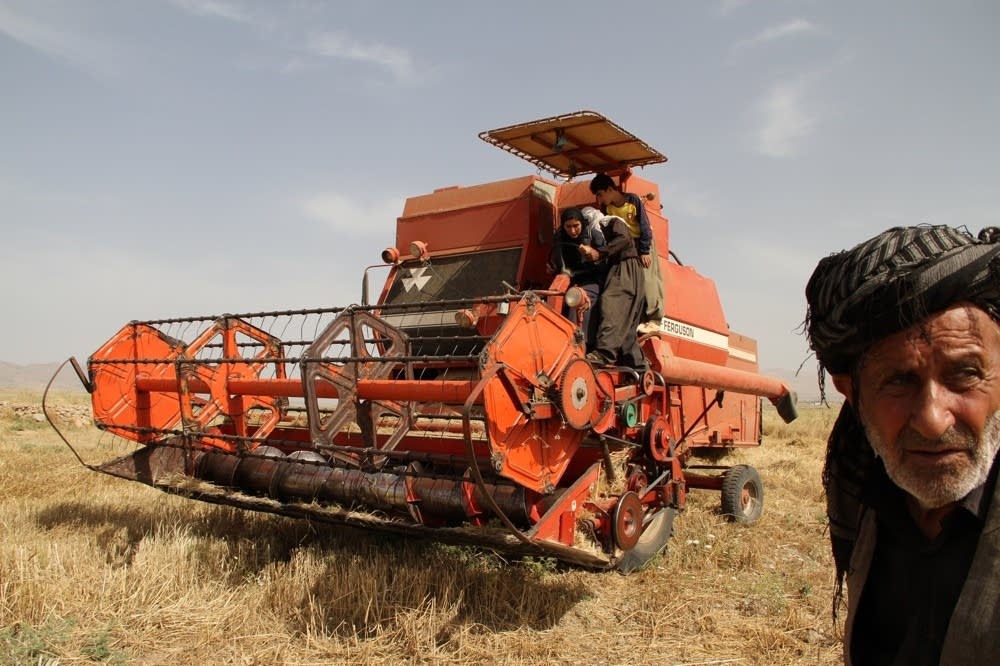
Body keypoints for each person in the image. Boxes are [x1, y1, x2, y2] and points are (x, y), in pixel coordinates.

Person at [804, 224, 1000, 665]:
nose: (933, 420)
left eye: (965, 374)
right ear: (851, 393)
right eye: (898, 381)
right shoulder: (865, 498)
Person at [590, 173, 664, 335]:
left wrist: (644, 251)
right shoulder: (607, 209)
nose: (600, 199)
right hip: (626, 248)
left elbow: (645, 226)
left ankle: (654, 319)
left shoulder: (633, 201)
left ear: (610, 189)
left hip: (642, 243)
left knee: (648, 278)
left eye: (600, 194)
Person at [578, 207, 645, 369]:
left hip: (625, 267)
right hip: (628, 269)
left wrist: (599, 253)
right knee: (626, 322)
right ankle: (637, 368)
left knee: (611, 304)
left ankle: (604, 353)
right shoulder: (601, 229)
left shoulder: (610, 222)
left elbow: (622, 238)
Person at [551, 207, 606, 347]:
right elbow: (560, 264)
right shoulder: (559, 238)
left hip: (593, 279)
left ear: (582, 223)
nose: (572, 231)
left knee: (576, 302)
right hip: (570, 279)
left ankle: (578, 344)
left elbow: (605, 259)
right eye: (568, 227)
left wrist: (592, 255)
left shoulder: (592, 234)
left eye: (576, 226)